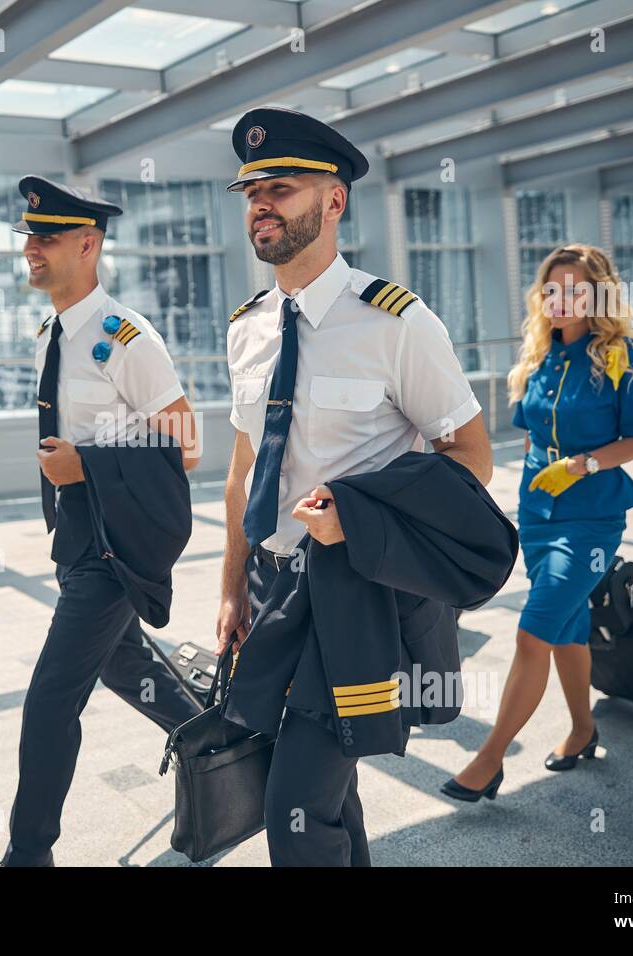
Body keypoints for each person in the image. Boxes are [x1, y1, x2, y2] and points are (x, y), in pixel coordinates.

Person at [215, 107, 494, 865]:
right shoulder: (246, 329)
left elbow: (470, 456)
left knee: (294, 809)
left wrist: (362, 513)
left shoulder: (396, 322)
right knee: (327, 798)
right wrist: (232, 588)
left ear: (333, 202)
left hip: (354, 592)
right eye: (251, 191)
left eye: (282, 187)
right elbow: (243, 476)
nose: (261, 203)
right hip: (273, 589)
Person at [0, 176, 203, 866]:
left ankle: (29, 853)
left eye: (46, 237)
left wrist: (85, 465)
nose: (30, 248)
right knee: (123, 665)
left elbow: (186, 446)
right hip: (79, 532)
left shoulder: (126, 337)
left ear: (88, 244)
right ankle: (222, 745)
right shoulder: (50, 333)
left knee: (50, 700)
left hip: (118, 541)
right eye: (28, 235)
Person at [441, 243, 633, 803]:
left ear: (598, 296)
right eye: (553, 289)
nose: (562, 300)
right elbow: (534, 431)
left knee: (533, 629)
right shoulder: (540, 358)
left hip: (591, 517)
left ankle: (490, 760)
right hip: (538, 512)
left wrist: (583, 463)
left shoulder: (618, 357)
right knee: (565, 629)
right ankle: (584, 730)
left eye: (577, 290)